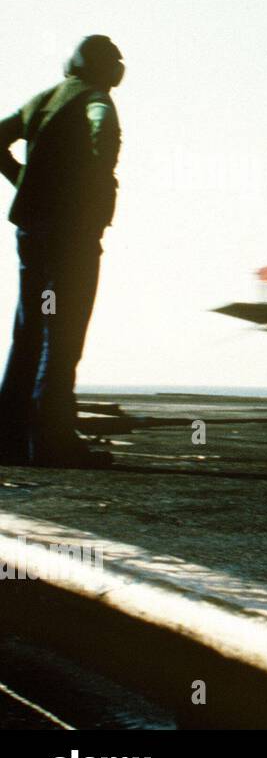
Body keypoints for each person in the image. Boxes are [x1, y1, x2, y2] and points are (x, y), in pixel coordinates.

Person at [0, 36, 124, 468]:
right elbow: (100, 135)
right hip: (70, 238)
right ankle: (52, 440)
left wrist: (24, 181)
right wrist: (90, 187)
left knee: (32, 327)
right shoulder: (96, 101)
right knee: (63, 330)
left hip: (34, 236)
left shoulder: (42, 100)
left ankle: (10, 439)